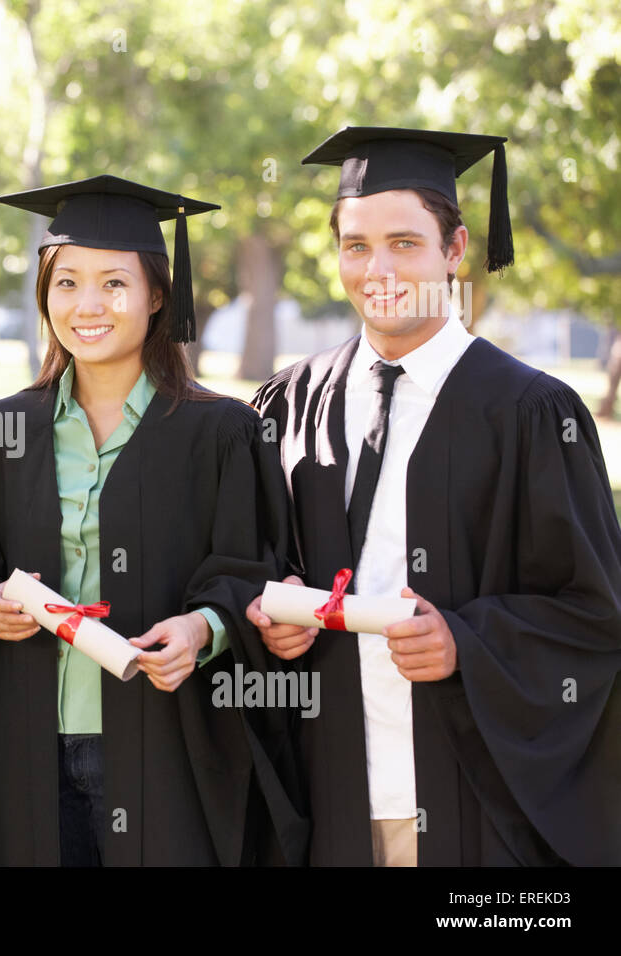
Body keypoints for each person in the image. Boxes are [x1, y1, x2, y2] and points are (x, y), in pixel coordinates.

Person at [248, 127, 621, 865]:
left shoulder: (532, 413)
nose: (377, 268)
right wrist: (267, 610)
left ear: (454, 250)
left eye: (405, 243)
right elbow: (244, 560)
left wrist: (467, 641)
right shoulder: (289, 403)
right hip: (328, 803)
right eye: (355, 246)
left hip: (475, 808)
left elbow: (594, 614)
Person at [0, 175, 308, 866]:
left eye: (113, 283)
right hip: (18, 751)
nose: (87, 304)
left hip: (169, 751)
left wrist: (202, 628)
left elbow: (259, 573)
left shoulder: (224, 434)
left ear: (157, 294)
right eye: (66, 282)